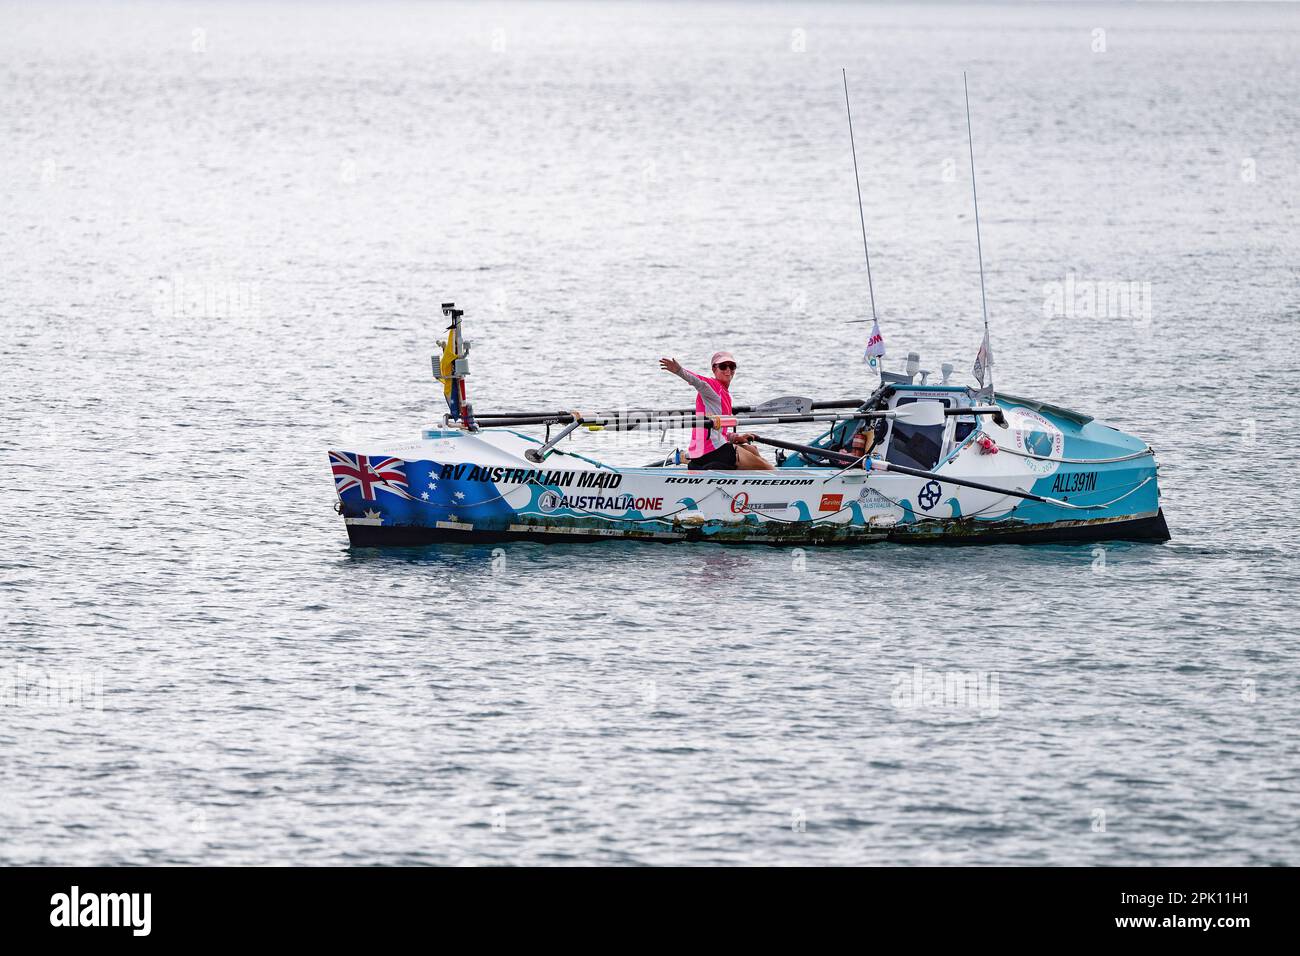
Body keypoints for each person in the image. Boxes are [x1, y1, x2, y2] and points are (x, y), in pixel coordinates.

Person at [659, 352, 774, 471]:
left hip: (705, 451)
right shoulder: (713, 387)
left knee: (752, 449)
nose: (728, 370)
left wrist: (735, 437)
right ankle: (777, 479)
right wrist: (679, 370)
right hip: (712, 452)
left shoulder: (725, 394)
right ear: (714, 369)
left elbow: (714, 432)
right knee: (768, 468)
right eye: (723, 366)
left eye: (732, 366)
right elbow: (698, 381)